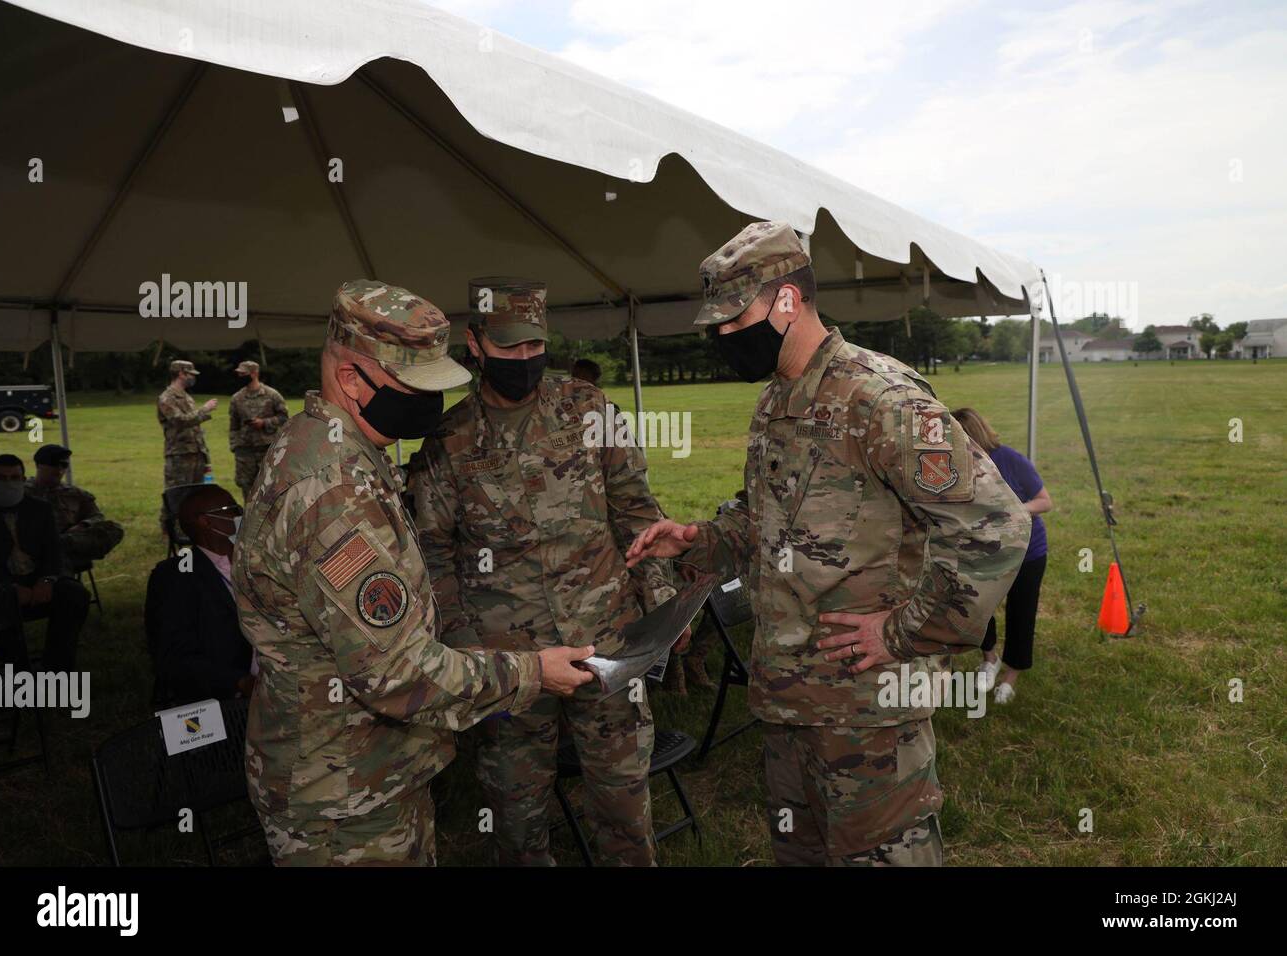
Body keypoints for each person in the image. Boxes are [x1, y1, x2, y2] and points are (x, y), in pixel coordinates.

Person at [626, 221, 1031, 866]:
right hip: (790, 700)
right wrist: (698, 540)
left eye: (736, 320)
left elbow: (994, 526)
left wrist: (905, 633)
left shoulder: (879, 397)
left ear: (787, 302)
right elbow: (768, 521)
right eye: (717, 326)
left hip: (867, 708)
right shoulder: (775, 403)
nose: (724, 338)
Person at [231, 278, 594, 867]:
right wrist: (531, 673)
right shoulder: (329, 492)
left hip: (367, 773)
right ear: (351, 379)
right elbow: (399, 674)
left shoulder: (343, 450)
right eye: (413, 387)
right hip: (341, 800)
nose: (430, 404)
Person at [409, 277, 681, 867]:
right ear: (475, 344)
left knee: (624, 799)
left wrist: (660, 603)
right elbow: (432, 557)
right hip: (510, 662)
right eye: (509, 349)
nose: (525, 360)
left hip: (607, 641)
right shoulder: (447, 442)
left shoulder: (587, 408)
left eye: (535, 347)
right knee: (516, 808)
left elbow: (635, 508)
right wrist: (464, 651)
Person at [951, 408, 1053, 704]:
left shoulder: (1010, 459)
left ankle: (1011, 675)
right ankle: (989, 658)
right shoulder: (957, 465)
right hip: (983, 552)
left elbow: (1045, 502)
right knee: (979, 607)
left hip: (1027, 553)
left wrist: (1017, 510)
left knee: (1022, 613)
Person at [146, 484, 254, 708]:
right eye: (232, 509)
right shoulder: (175, 577)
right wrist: (240, 682)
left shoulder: (258, 563)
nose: (241, 515)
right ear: (206, 521)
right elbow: (173, 657)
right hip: (225, 700)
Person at [0, 454, 89, 672]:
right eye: (1, 478)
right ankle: (17, 670)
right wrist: (10, 587)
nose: (9, 483)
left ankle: (57, 667)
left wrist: (46, 580)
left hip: (37, 579)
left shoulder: (39, 509)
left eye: (15, 477)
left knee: (74, 593)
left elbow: (53, 551)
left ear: (24, 479)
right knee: (1, 600)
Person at [25, 444, 124, 571]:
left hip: (70, 540)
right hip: (35, 543)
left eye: (64, 465)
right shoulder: (22, 492)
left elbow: (96, 516)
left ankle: (60, 549)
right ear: (39, 465)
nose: (59, 469)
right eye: (54, 464)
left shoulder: (75, 494)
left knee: (113, 529)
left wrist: (83, 525)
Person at [157, 359, 217, 532]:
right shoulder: (166, 398)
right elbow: (180, 421)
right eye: (190, 374)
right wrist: (204, 409)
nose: (193, 377)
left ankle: (189, 526)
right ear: (181, 374)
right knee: (176, 492)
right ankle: (169, 528)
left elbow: (192, 423)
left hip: (196, 452)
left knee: (195, 493)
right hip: (179, 454)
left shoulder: (186, 396)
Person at [227, 360, 289, 500]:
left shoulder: (272, 395)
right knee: (247, 489)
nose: (240, 376)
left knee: (270, 489)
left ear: (254, 373)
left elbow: (284, 418)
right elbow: (233, 425)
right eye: (239, 374)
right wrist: (235, 446)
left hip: (267, 449)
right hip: (245, 451)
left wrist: (265, 423)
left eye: (243, 374)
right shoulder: (236, 398)